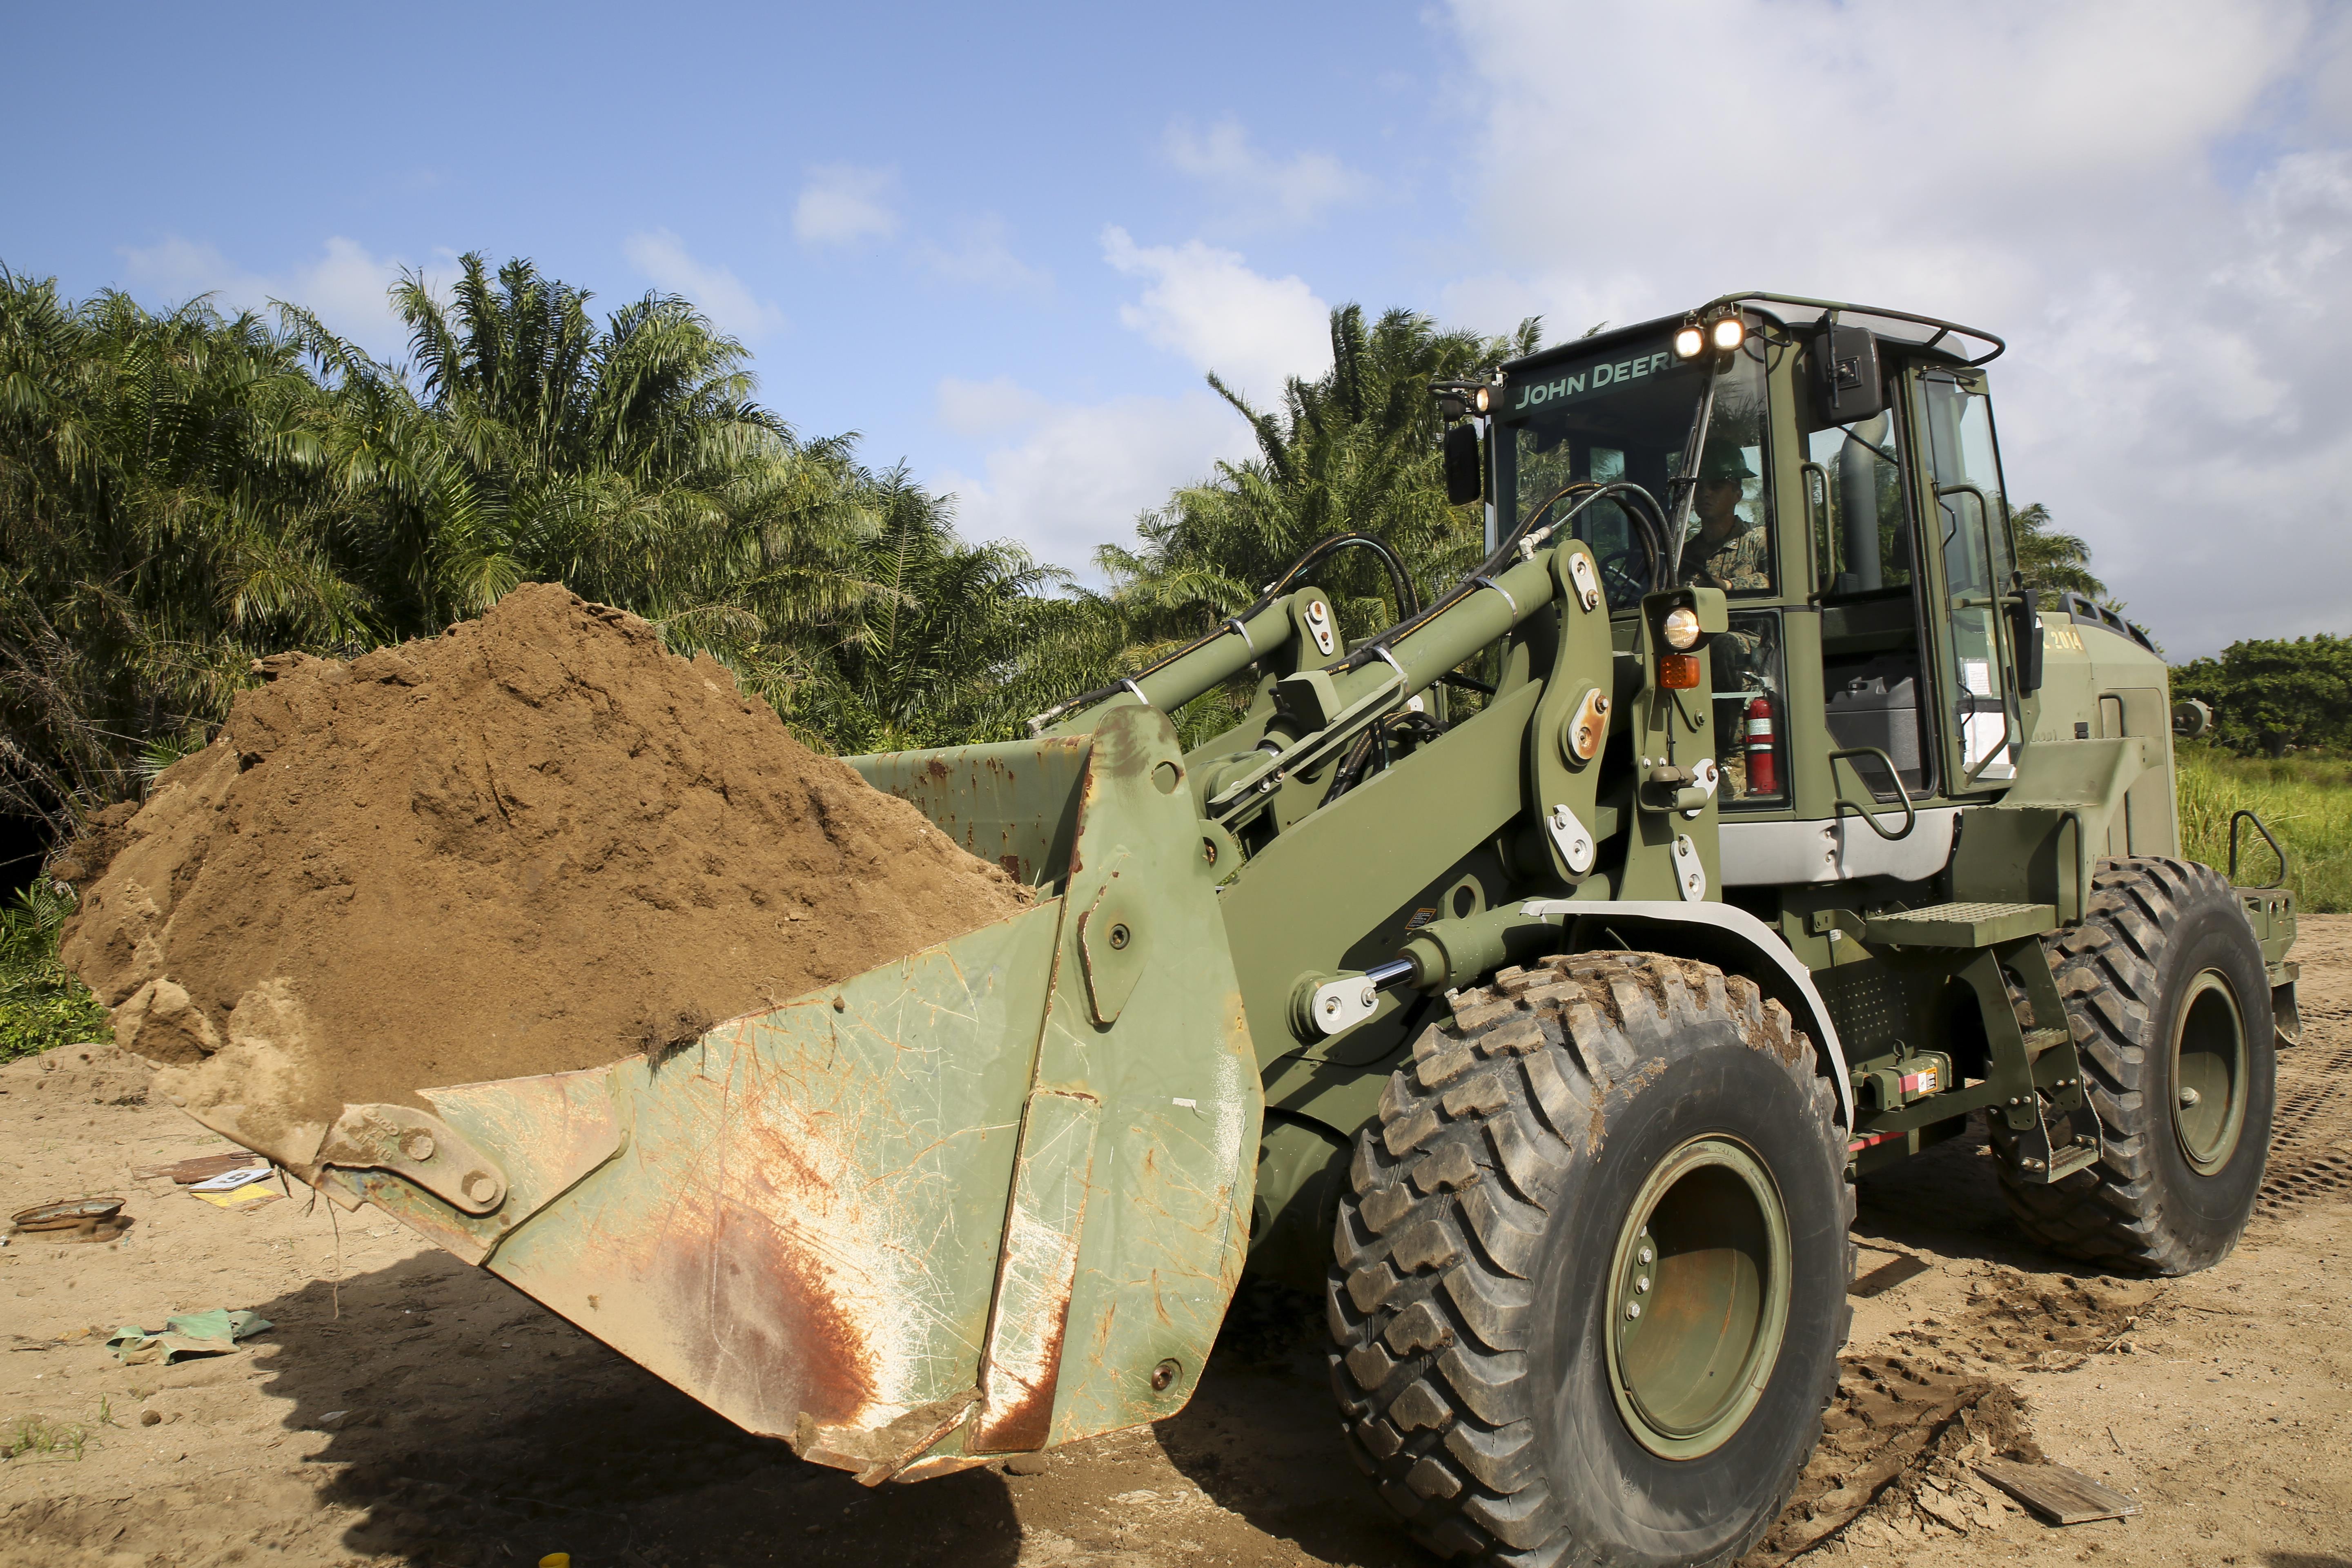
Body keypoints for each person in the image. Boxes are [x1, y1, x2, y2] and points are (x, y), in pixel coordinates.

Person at [1677, 447, 1770, 594]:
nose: (1705, 493)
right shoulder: (1684, 554)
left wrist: (1728, 585)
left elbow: (1779, 581)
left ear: (1737, 495)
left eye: (1716, 487)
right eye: (1699, 488)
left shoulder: (1759, 540)